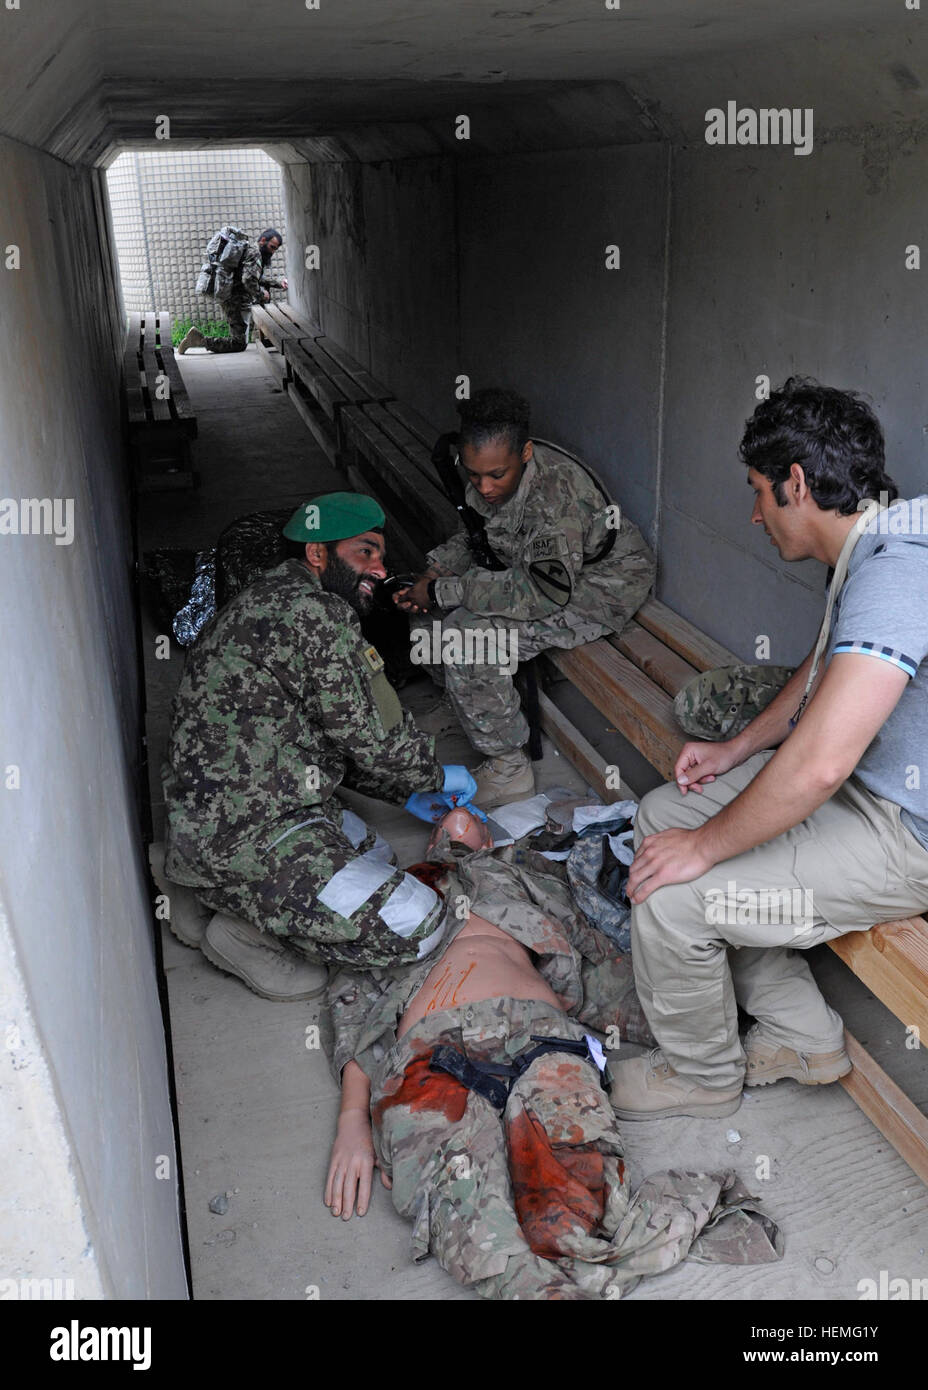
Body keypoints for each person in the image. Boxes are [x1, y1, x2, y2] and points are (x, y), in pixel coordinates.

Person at [609, 377, 928, 1119]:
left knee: (674, 896)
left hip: (906, 831)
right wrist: (738, 749)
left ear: (797, 483)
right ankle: (801, 1033)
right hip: (868, 787)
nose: (753, 516)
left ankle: (702, 1075)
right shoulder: (873, 541)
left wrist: (706, 849)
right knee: (662, 814)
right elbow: (824, 670)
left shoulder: (896, 573)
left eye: (758, 493)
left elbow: (820, 764)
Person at [321, 815, 783, 1300]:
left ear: (490, 837)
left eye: (473, 820)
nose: (458, 819)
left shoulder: (522, 871)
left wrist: (696, 1024)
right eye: (445, 822)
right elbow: (354, 999)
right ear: (432, 839)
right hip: (431, 1053)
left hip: (541, 1037)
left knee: (571, 1209)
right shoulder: (397, 890)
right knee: (472, 1222)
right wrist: (352, 1118)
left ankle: (569, 1276)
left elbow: (599, 957)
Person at [161, 492, 477, 1000]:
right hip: (247, 829)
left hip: (243, 803)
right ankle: (240, 929)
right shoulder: (317, 615)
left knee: (376, 855)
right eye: (364, 552)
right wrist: (435, 778)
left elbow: (322, 733)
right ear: (318, 554)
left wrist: (401, 794)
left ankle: (198, 879)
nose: (379, 567)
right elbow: (373, 737)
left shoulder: (269, 597)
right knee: (417, 923)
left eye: (380, 554)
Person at [394, 389, 655, 809]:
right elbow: (478, 533)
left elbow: (543, 593)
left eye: (496, 475)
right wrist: (434, 573)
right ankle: (458, 702)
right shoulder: (493, 468)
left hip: (600, 586)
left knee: (468, 637)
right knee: (429, 606)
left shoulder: (556, 500)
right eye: (474, 475)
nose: (484, 486)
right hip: (541, 571)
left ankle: (508, 768)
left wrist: (447, 589)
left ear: (527, 453)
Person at [177, 227, 288, 355]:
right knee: (238, 344)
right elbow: (248, 279)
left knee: (240, 340)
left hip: (231, 296)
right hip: (233, 299)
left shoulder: (249, 250)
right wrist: (261, 294)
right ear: (263, 240)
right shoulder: (255, 253)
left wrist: (278, 283)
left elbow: (252, 276)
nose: (272, 252)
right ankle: (199, 340)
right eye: (272, 247)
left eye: (275, 249)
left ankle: (199, 340)